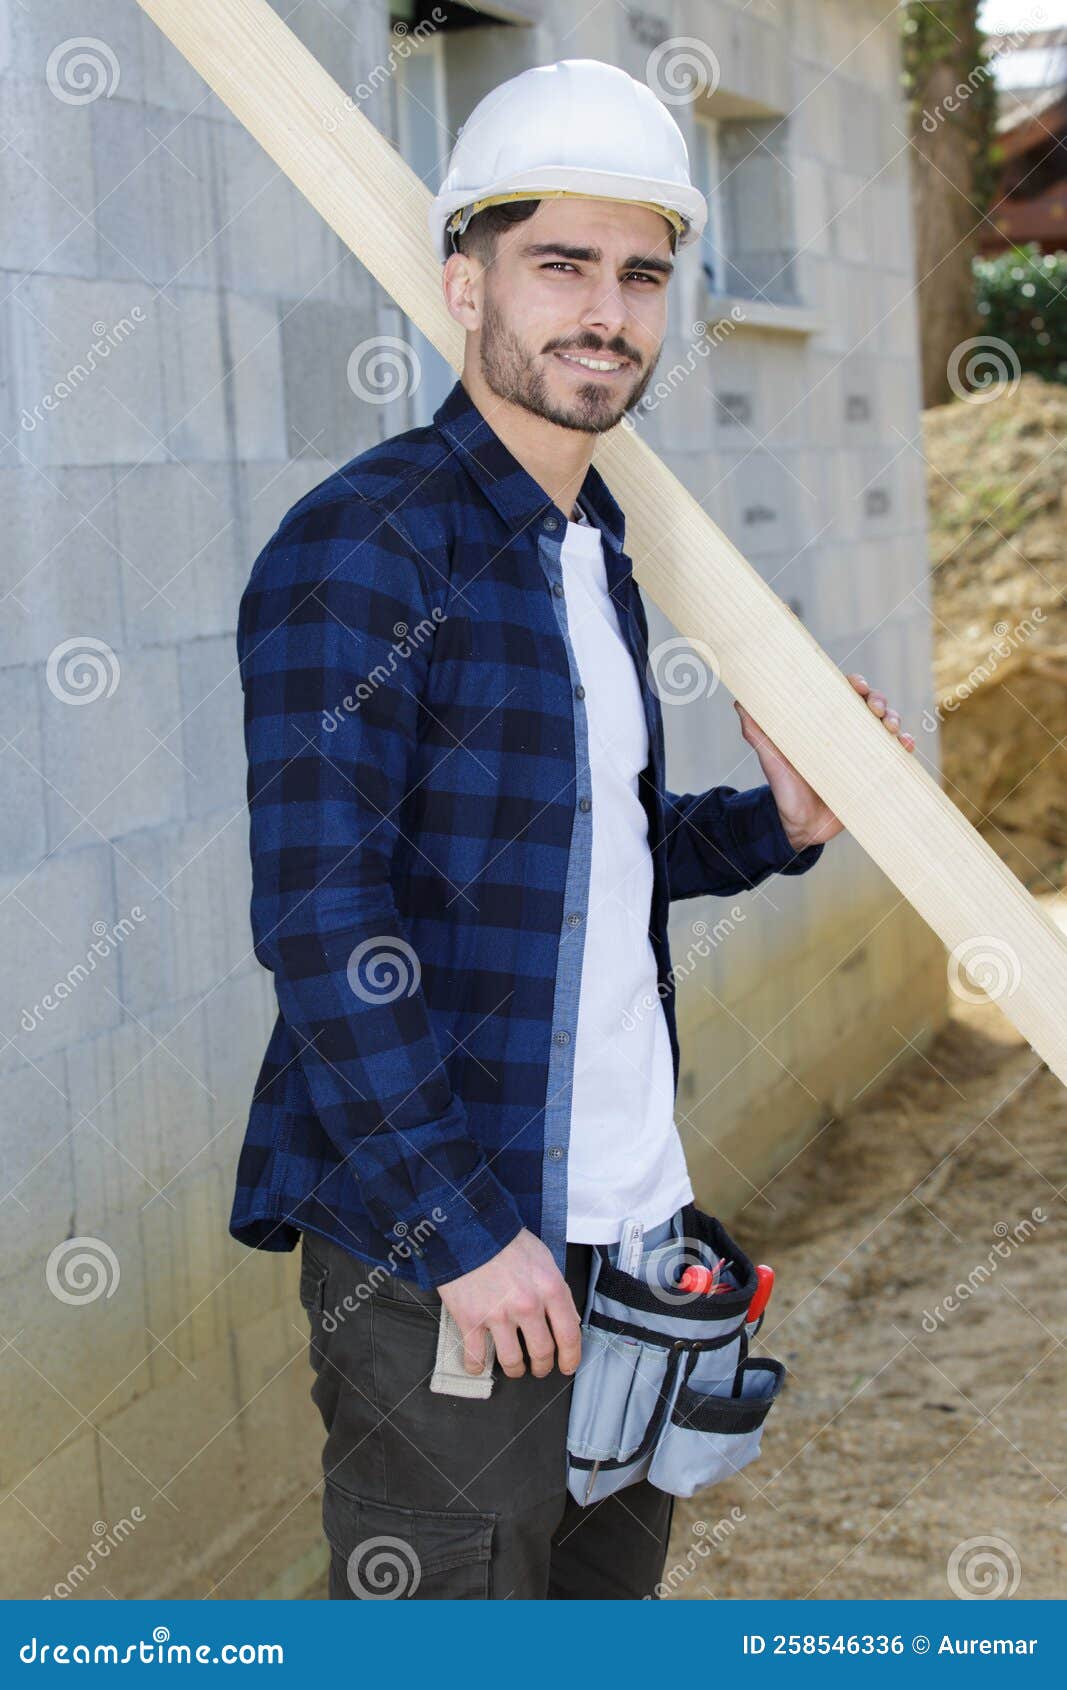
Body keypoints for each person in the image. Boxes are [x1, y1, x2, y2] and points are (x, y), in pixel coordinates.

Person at [228, 58, 915, 1601]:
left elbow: (581, 849)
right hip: (451, 1259)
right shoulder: (363, 551)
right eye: (560, 265)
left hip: (628, 1232)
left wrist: (770, 827)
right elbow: (327, 929)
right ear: (464, 284)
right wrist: (469, 1234)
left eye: (640, 275)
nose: (604, 310)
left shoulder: (590, 536)